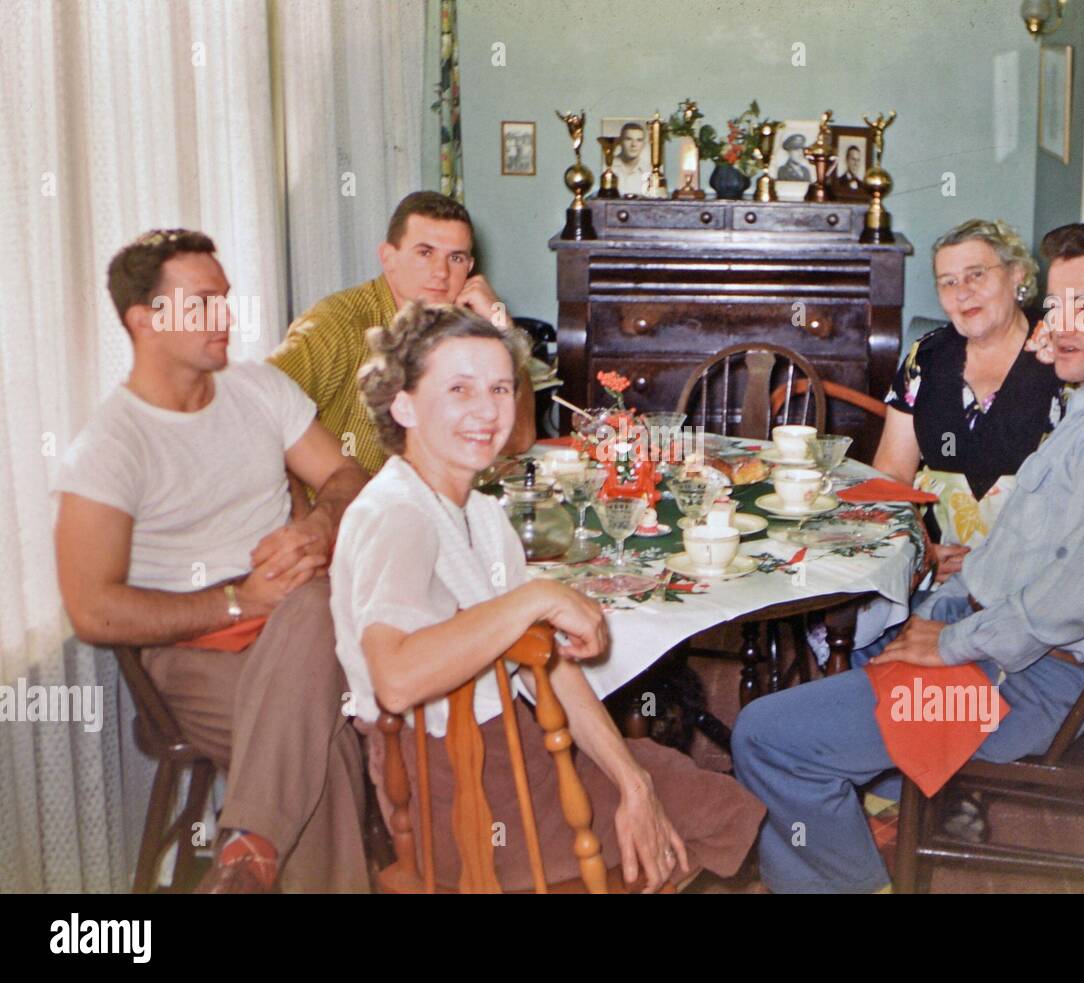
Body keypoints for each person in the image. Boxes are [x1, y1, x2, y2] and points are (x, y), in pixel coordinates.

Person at [731, 221, 1084, 893]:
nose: (1062, 324)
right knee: (865, 652)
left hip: (1024, 686)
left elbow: (1069, 605)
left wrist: (947, 642)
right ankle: (871, 820)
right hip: (1009, 655)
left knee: (767, 735)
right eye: (1058, 304)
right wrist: (940, 614)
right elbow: (1023, 557)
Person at [330, 302, 765, 892]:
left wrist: (632, 783)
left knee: (703, 801)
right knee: (712, 820)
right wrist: (533, 599)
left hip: (517, 747)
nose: (487, 411)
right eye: (459, 389)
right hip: (459, 790)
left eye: (501, 388)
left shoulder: (480, 513)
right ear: (403, 404)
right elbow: (396, 679)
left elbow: (547, 667)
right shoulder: (398, 515)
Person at [54, 229, 371, 892]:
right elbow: (91, 609)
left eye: (225, 300)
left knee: (312, 598)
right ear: (145, 321)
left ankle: (245, 853)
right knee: (328, 748)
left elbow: (348, 477)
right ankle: (252, 853)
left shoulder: (257, 389)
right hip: (191, 650)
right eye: (203, 304)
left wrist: (317, 524)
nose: (227, 317)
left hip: (299, 628)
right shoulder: (109, 447)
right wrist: (239, 601)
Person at [269, 191, 535, 478]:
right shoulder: (337, 324)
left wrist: (502, 327)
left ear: (470, 268)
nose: (441, 272)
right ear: (388, 258)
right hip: (342, 513)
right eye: (425, 253)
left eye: (455, 258)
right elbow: (260, 412)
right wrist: (301, 512)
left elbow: (517, 440)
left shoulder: (459, 333)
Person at [877, 218, 1068, 586]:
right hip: (935, 569)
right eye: (948, 282)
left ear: (1017, 276)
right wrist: (922, 550)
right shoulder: (926, 357)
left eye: (976, 275)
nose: (961, 292)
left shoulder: (1061, 351)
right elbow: (892, 476)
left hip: (1035, 579)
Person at [610, 121, 649, 194]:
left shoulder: (649, 171)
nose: (634, 144)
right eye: (628, 139)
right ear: (620, 142)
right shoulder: (607, 167)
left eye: (639, 140)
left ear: (643, 144)